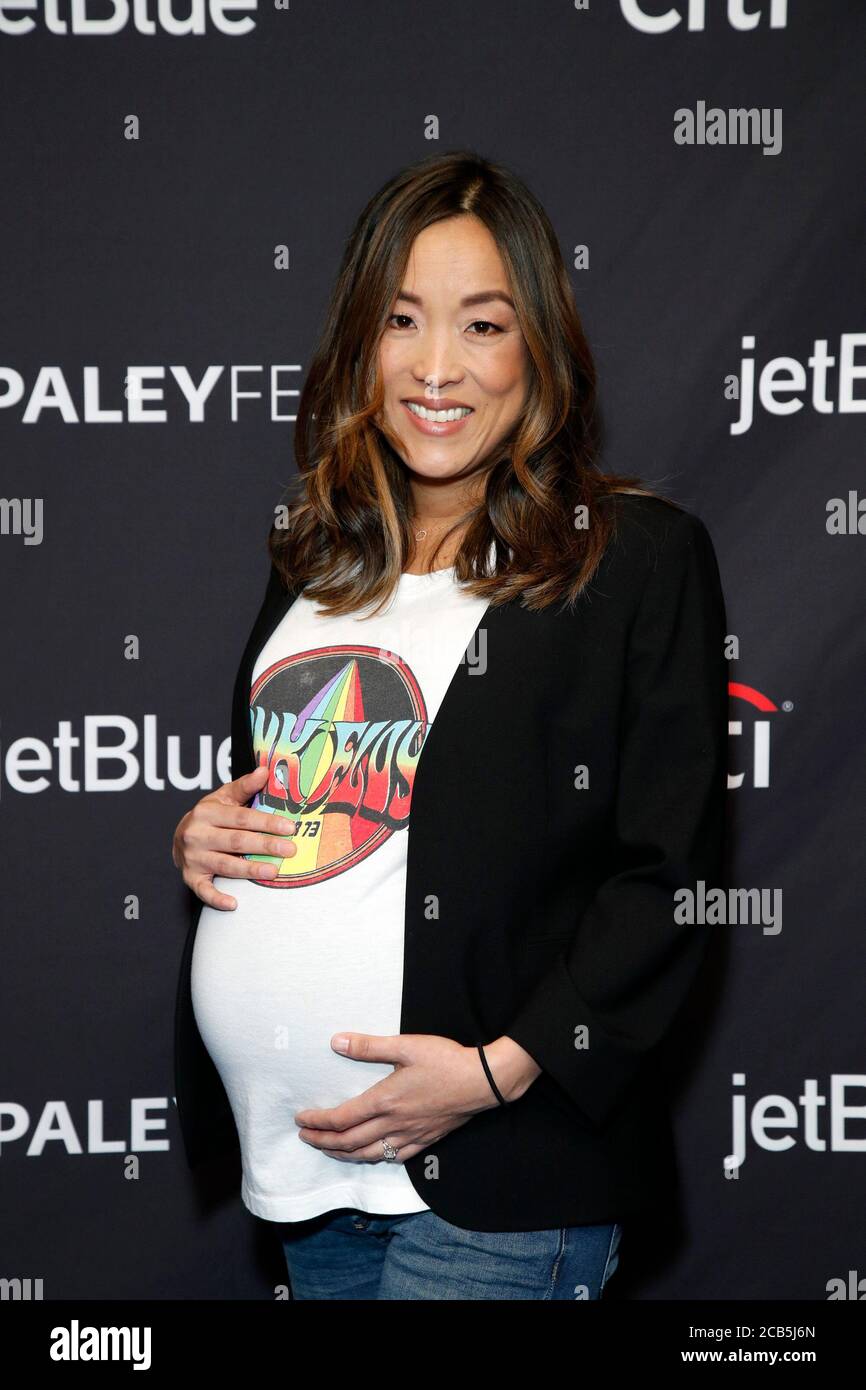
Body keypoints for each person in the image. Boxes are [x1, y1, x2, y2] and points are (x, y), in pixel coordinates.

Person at [171, 149, 728, 1301]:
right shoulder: (316, 560)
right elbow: (324, 804)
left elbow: (667, 877)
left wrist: (496, 1072)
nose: (435, 367)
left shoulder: (628, 558)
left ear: (539, 349)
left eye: (481, 325)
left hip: (498, 1183)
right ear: (357, 343)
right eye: (401, 320)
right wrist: (210, 835)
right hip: (304, 1177)